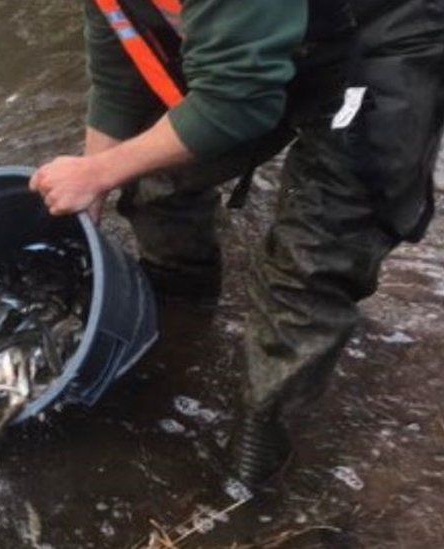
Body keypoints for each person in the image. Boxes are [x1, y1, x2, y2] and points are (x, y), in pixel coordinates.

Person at [30, 0, 444, 488]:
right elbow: (120, 72)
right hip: (270, 39)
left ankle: (256, 460)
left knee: (309, 265)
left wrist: (99, 172)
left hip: (380, 40)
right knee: (150, 180)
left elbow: (238, 103)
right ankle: (175, 314)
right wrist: (95, 178)